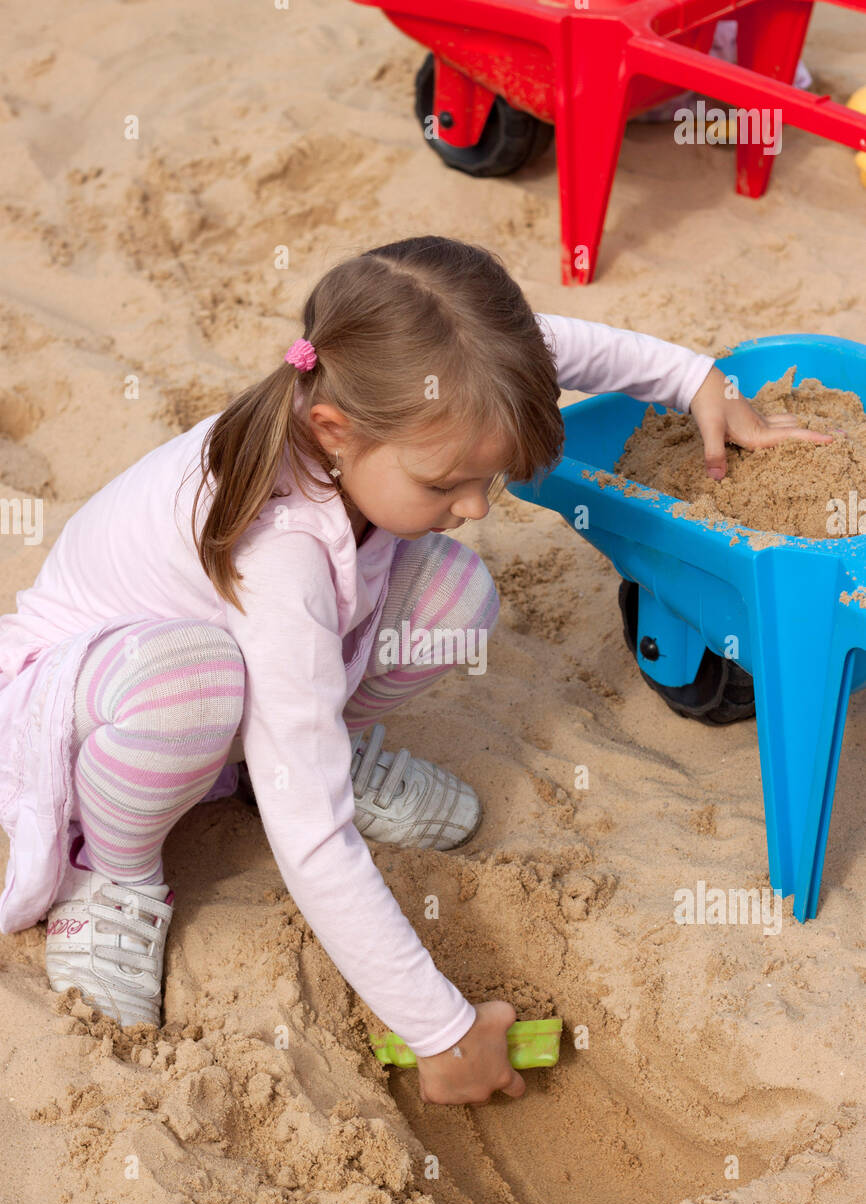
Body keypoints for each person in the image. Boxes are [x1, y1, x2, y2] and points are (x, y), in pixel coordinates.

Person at [0, 235, 833, 1106]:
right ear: (334, 431)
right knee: (196, 686)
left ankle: (296, 750)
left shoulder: (427, 382)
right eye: (444, 485)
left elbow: (557, 348)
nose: (472, 507)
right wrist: (442, 1032)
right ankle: (115, 876)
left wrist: (698, 382)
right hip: (91, 703)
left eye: (487, 480)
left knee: (454, 596)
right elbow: (311, 836)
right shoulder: (281, 556)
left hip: (236, 670)